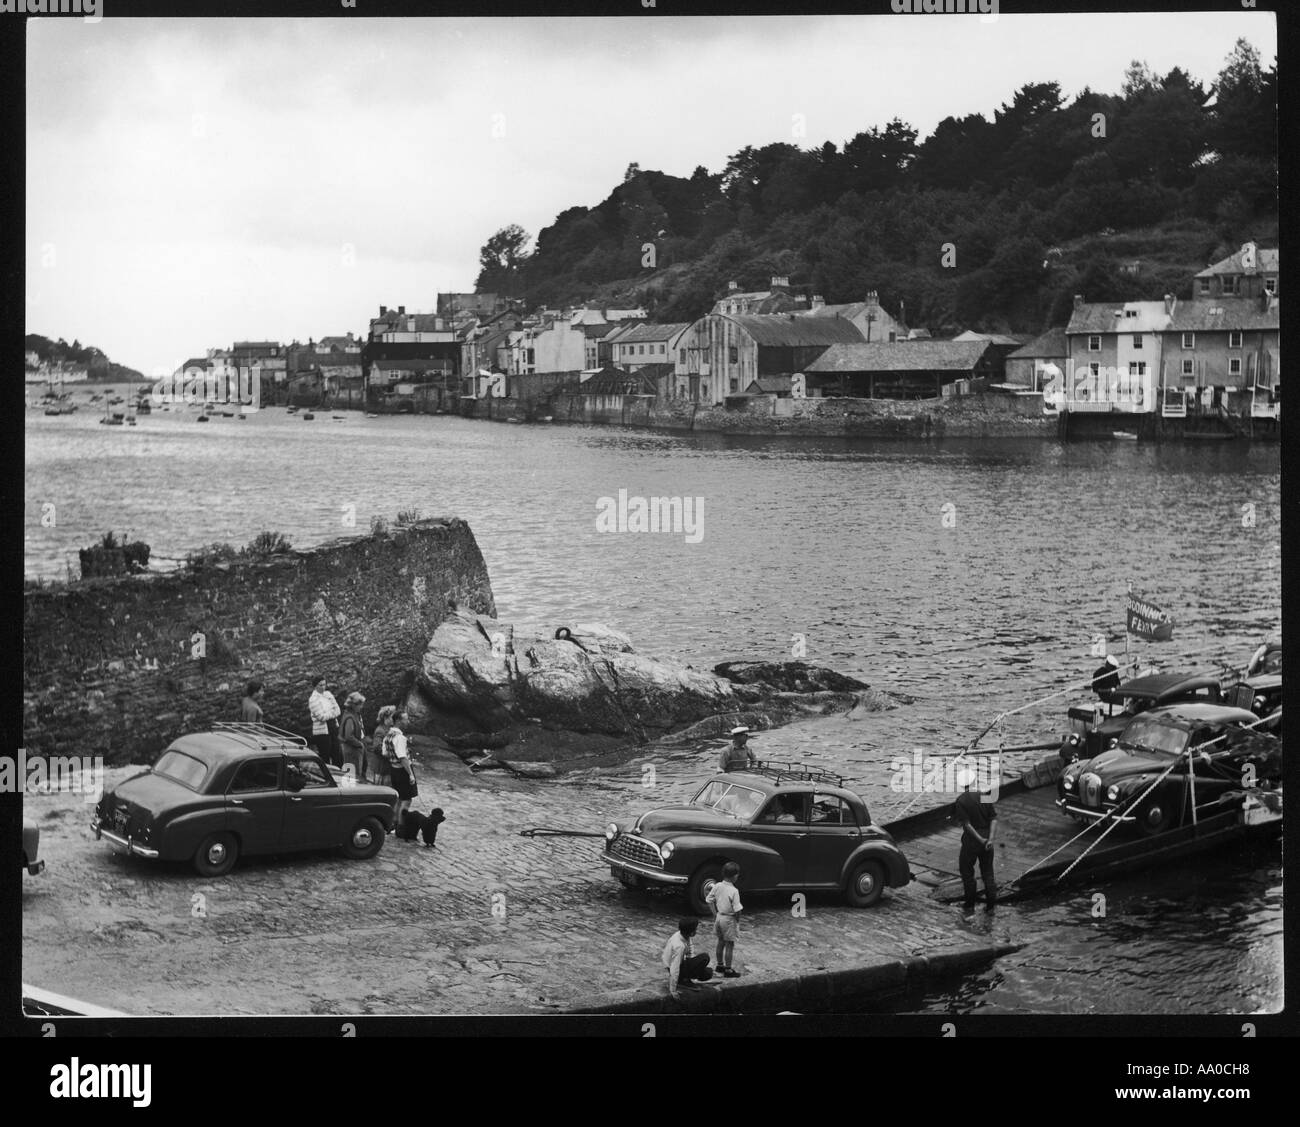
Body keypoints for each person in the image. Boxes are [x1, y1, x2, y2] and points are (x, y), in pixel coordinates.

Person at [954, 767, 997, 914]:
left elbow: (967, 825)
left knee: (967, 872)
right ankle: (991, 908)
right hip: (987, 841)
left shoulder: (961, 801)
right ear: (974, 781)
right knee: (988, 874)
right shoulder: (985, 795)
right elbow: (994, 819)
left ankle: (969, 905)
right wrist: (989, 839)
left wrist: (980, 840)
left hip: (971, 842)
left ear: (961, 784)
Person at [706, 861, 743, 978]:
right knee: (730, 945)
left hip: (719, 917)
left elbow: (709, 900)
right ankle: (728, 969)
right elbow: (737, 910)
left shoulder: (717, 886)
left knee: (720, 942)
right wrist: (737, 920)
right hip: (729, 918)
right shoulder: (734, 891)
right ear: (734, 876)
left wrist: (715, 914)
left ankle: (719, 965)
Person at [662, 917, 713, 999]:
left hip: (681, 963)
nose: (697, 931)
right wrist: (673, 990)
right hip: (673, 967)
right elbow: (674, 968)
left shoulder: (682, 934)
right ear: (691, 932)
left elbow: (690, 949)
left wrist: (692, 964)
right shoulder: (679, 946)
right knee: (705, 957)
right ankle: (683, 980)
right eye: (695, 929)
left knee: (708, 973)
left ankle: (686, 977)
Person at [382, 710, 418, 822]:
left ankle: (394, 823)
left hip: (394, 769)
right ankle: (401, 827)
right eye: (405, 719)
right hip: (403, 771)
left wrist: (394, 758)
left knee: (398, 798)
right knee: (406, 800)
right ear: (398, 721)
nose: (407, 721)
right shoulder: (400, 738)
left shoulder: (388, 735)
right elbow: (403, 757)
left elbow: (385, 753)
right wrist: (411, 774)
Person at [308, 676, 342, 767]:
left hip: (333, 728)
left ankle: (338, 776)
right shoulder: (313, 699)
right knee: (325, 757)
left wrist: (329, 713)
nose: (323, 687)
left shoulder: (328, 694)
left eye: (324, 684)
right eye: (320, 685)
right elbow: (321, 717)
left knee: (337, 755)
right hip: (322, 732)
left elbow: (338, 710)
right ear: (315, 686)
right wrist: (332, 713)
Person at [339, 692, 367, 780]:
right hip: (351, 750)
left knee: (356, 772)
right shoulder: (350, 718)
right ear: (354, 705)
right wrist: (360, 744)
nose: (361, 707)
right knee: (352, 775)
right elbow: (348, 736)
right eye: (360, 705)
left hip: (353, 749)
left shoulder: (353, 715)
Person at [368, 705, 395, 787]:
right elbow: (377, 748)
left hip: (386, 767)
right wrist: (393, 753)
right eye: (392, 717)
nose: (393, 719)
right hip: (381, 768)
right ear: (385, 718)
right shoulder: (380, 730)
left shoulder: (389, 729)